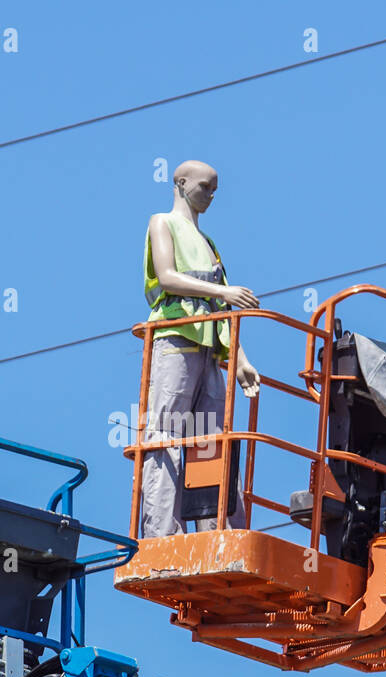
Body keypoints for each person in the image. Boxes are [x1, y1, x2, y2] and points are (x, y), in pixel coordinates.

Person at [139, 159, 260, 537]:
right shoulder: (163, 222)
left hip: (208, 351)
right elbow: (168, 276)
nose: (209, 195)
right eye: (204, 186)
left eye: (214, 189)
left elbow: (220, 312)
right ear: (180, 183)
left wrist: (239, 360)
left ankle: (219, 533)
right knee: (166, 433)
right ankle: (162, 533)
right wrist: (223, 290)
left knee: (212, 441)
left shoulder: (209, 245)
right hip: (175, 342)